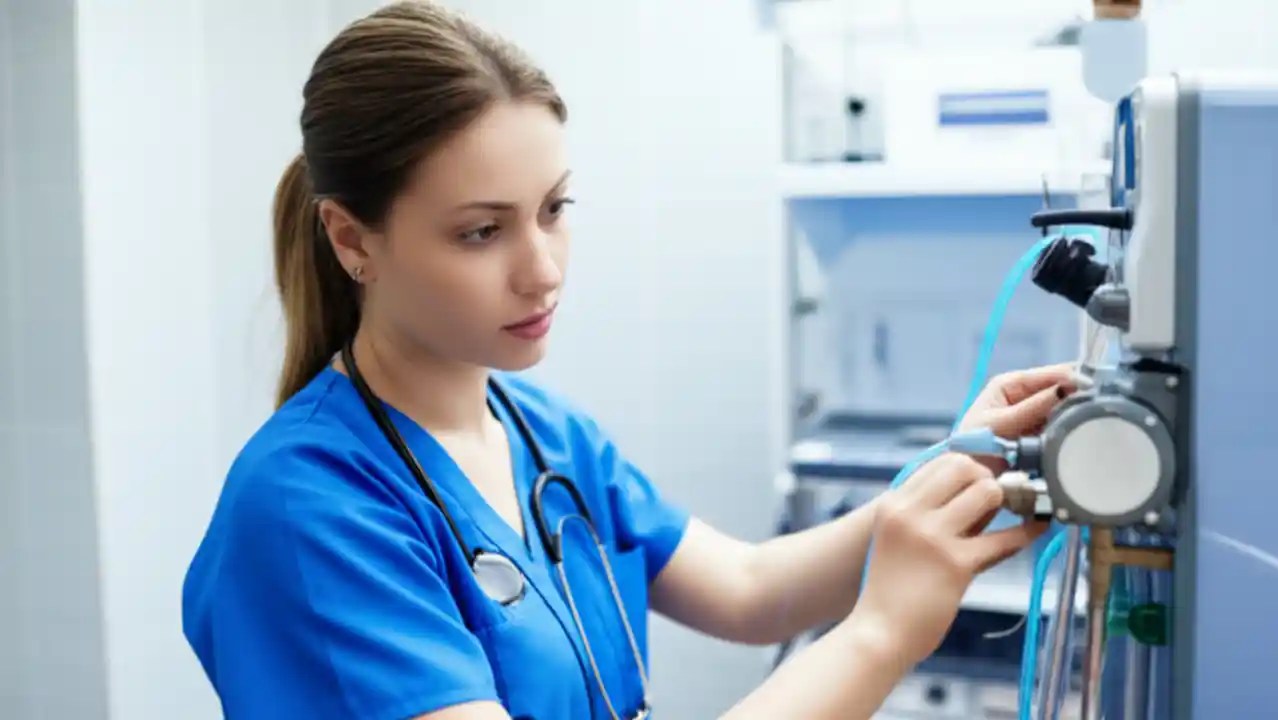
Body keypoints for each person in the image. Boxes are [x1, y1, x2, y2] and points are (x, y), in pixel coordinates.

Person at [180, 3, 1071, 719]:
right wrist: (879, 635)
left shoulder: (544, 434)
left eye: (555, 209)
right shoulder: (308, 512)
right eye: (482, 232)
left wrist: (958, 467)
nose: (544, 269)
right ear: (351, 239)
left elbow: (754, 589)